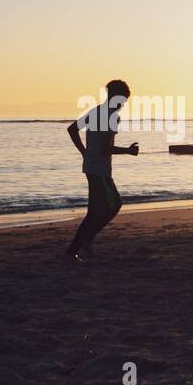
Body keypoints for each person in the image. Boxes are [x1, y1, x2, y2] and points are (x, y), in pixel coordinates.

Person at [64, 80, 138, 261]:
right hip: (99, 170)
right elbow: (105, 148)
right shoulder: (110, 117)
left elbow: (72, 129)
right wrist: (128, 151)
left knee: (104, 208)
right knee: (107, 207)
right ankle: (75, 248)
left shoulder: (96, 111)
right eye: (122, 100)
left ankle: (82, 244)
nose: (123, 104)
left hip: (93, 168)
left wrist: (84, 152)